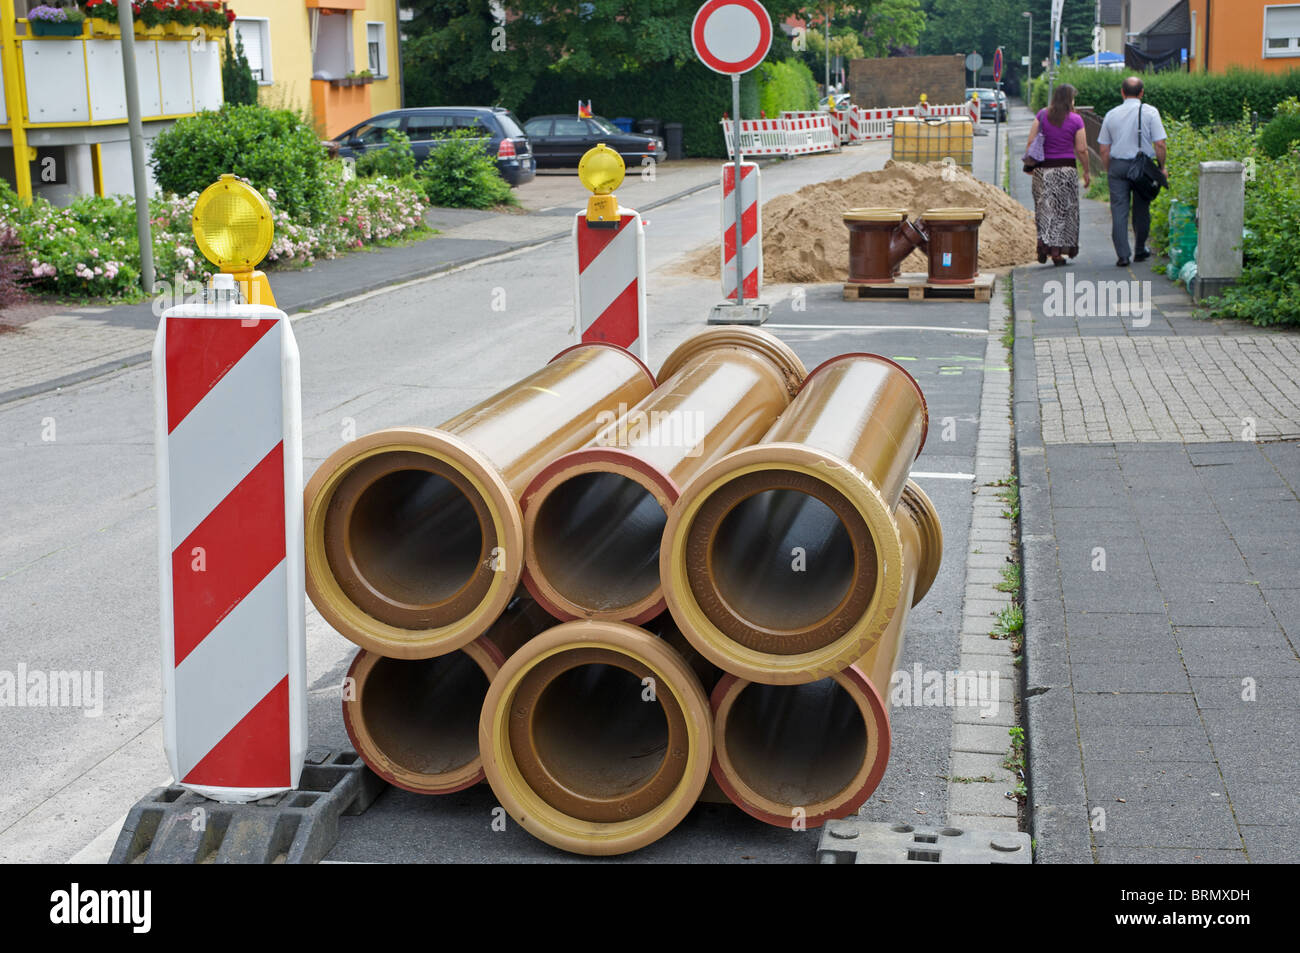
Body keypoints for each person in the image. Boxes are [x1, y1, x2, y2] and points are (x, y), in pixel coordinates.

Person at [1098, 76, 1167, 267]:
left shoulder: (1111, 114)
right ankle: (1139, 250)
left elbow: (1104, 148)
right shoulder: (1151, 112)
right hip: (1143, 168)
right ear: (1142, 93)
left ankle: (1122, 255)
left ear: (1122, 92)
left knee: (1119, 210)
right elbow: (1160, 144)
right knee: (1142, 208)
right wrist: (1161, 168)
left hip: (1118, 166)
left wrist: (1109, 168)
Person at [1024, 83, 1091, 266]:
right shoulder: (1076, 120)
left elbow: (1031, 142)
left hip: (1043, 171)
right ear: (1070, 99)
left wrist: (1031, 166)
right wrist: (1086, 171)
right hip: (1066, 171)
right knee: (1063, 212)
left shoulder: (1042, 115)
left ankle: (1044, 246)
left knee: (1044, 210)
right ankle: (1057, 252)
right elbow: (1082, 149)